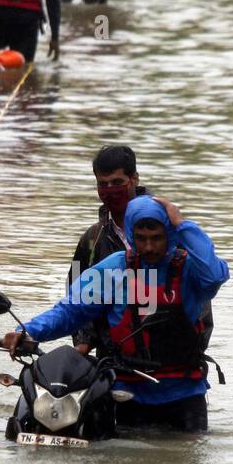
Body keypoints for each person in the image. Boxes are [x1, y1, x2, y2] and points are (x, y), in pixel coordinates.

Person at [3, 196, 228, 432]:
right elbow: (69, 312)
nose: (149, 247)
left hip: (184, 396)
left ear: (170, 236)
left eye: (157, 238)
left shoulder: (191, 271)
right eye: (141, 239)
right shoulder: (114, 269)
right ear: (131, 234)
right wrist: (27, 331)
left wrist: (182, 223)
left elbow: (216, 275)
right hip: (125, 394)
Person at [68, 145, 151, 354]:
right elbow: (77, 295)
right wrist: (82, 344)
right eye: (103, 184)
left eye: (117, 182)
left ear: (134, 179)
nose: (110, 189)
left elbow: (199, 302)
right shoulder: (92, 240)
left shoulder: (167, 230)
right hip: (111, 359)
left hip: (167, 362)